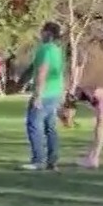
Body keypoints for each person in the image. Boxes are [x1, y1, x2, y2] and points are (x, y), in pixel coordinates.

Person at [24, 21, 66, 171]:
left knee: (34, 126)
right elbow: (59, 73)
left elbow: (43, 71)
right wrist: (62, 93)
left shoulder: (44, 49)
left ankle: (38, 160)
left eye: (43, 31)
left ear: (48, 33)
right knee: (50, 128)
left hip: (45, 93)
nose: (41, 34)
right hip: (55, 93)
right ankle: (52, 161)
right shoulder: (57, 50)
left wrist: (38, 95)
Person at [61, 84, 103, 169]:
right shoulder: (80, 87)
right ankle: (92, 157)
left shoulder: (84, 85)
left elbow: (81, 95)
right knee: (98, 131)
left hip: (102, 102)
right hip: (102, 101)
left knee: (99, 131)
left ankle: (94, 159)